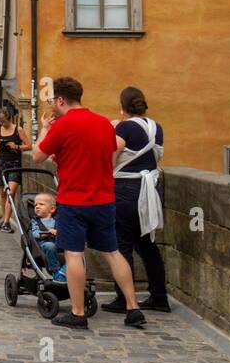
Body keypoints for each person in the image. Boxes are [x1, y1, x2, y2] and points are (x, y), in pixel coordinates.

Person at [32, 76, 145, 330]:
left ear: (61, 100)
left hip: (74, 200)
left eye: (53, 101)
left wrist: (46, 129)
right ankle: (133, 308)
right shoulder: (104, 124)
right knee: (113, 253)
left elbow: (37, 155)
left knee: (74, 253)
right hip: (104, 199)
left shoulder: (63, 125)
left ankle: (78, 312)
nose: (51, 105)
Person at [107, 86, 169, 313]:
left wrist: (112, 129)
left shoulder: (125, 127)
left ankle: (124, 298)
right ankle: (159, 296)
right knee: (147, 245)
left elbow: (110, 154)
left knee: (121, 244)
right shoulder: (156, 127)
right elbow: (157, 155)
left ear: (122, 107)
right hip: (150, 190)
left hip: (125, 189)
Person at [0, 107, 31, 233]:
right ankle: (4, 219)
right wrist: (0, 146)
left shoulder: (18, 129)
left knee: (10, 192)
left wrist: (16, 146)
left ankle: (6, 222)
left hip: (14, 164)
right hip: (1, 163)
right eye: (0, 121)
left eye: (4, 121)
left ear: (9, 119)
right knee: (2, 194)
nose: (2, 124)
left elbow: (28, 145)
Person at [30, 192, 66, 283]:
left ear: (52, 209)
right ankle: (55, 271)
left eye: (41, 204)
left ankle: (67, 268)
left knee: (73, 248)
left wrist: (58, 232)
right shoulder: (35, 221)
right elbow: (35, 234)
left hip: (58, 243)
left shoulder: (57, 220)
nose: (37, 206)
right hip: (43, 244)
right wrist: (47, 232)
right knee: (50, 246)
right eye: (35, 205)